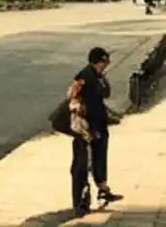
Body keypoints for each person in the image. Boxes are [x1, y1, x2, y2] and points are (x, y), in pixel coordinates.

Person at [68, 46, 123, 218]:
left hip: (97, 126)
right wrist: (89, 128)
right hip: (85, 129)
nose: (106, 66)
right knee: (82, 165)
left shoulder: (96, 76)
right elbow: (73, 98)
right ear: (96, 61)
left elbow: (105, 94)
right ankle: (80, 203)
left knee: (99, 159)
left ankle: (102, 189)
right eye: (104, 62)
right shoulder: (84, 77)